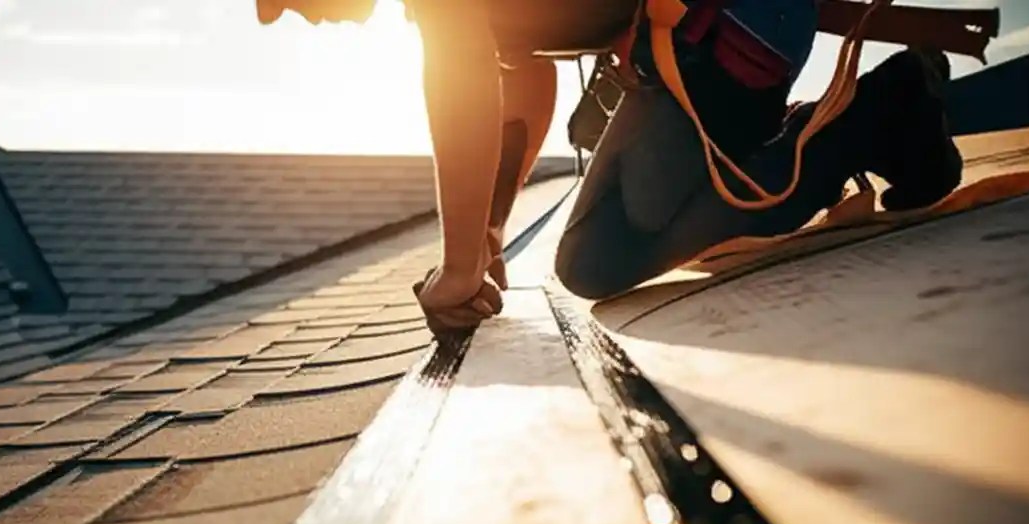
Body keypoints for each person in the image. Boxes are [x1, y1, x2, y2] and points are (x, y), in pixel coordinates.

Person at [260, 1, 963, 330]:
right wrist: (488, 234)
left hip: (728, 34)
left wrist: (458, 270)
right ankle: (849, 123)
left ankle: (875, 120)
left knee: (596, 260)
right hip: (734, 33)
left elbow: (460, 80)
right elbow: (522, 76)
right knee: (618, 239)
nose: (278, 15)